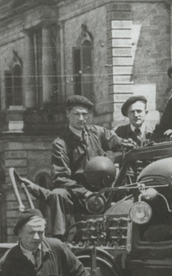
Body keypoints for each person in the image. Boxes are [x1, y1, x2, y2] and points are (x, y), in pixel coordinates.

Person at [36, 94, 134, 237]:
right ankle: (61, 239)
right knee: (58, 193)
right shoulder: (60, 143)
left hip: (103, 191)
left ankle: (127, 236)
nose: (81, 118)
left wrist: (127, 146)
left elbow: (119, 143)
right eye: (77, 114)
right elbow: (60, 178)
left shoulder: (98, 132)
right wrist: (85, 193)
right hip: (77, 196)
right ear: (68, 114)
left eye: (84, 114)